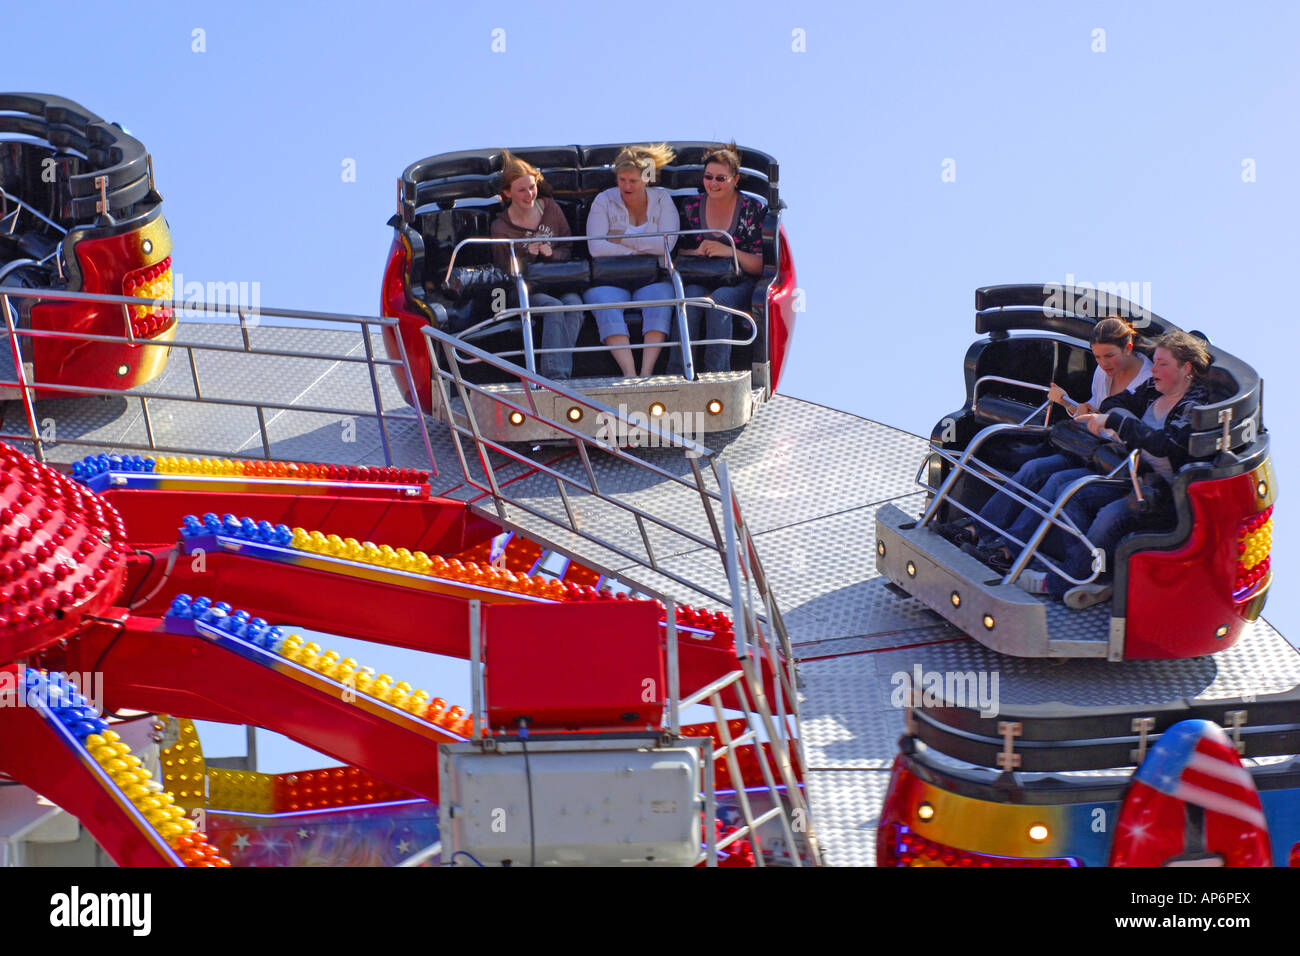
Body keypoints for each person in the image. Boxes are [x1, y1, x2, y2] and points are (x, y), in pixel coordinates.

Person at [1012, 330, 1213, 609]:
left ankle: (1063, 582)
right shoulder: (1153, 389)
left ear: (1186, 368)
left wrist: (1119, 423)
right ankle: (1096, 574)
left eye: (1162, 364)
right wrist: (1113, 416)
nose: (1153, 370)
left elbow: (1166, 444)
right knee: (1070, 493)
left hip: (1161, 495)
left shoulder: (1194, 406)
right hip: (1131, 473)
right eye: (1153, 362)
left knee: (1110, 515)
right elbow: (1114, 403)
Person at [941, 317, 1154, 554]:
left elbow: (1135, 430)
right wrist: (1067, 402)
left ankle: (1008, 550)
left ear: (1128, 348)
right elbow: (1092, 409)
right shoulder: (1103, 373)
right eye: (1098, 357)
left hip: (1115, 461)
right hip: (1089, 448)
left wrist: (1096, 417)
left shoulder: (1147, 381)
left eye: (1110, 356)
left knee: (1056, 482)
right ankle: (977, 529)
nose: (1103, 363)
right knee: (1034, 468)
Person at [667, 143, 767, 375]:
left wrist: (728, 251)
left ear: (736, 179)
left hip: (739, 281)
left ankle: (717, 373)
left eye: (721, 178)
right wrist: (700, 250)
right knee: (688, 299)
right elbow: (679, 253)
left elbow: (759, 265)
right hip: (700, 274)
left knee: (719, 301)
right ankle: (676, 372)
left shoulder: (752, 209)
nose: (713, 184)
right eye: (708, 177)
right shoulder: (691, 206)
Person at [583, 144, 679, 377]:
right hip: (611, 281)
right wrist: (641, 249)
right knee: (604, 304)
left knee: (662, 300)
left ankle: (647, 372)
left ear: (646, 178)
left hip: (653, 279)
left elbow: (665, 245)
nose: (626, 186)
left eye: (633, 181)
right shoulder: (603, 200)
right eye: (622, 179)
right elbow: (595, 247)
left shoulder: (662, 200)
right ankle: (629, 373)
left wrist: (622, 239)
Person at [490, 152, 585, 380]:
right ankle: (554, 377)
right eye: (521, 190)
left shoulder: (551, 208)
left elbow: (568, 247)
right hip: (525, 289)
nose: (529, 194)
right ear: (507, 193)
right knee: (553, 307)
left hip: (557, 280)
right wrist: (526, 256)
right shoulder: (500, 227)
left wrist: (552, 253)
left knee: (575, 306)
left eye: (532, 187)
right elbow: (504, 270)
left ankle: (557, 366)